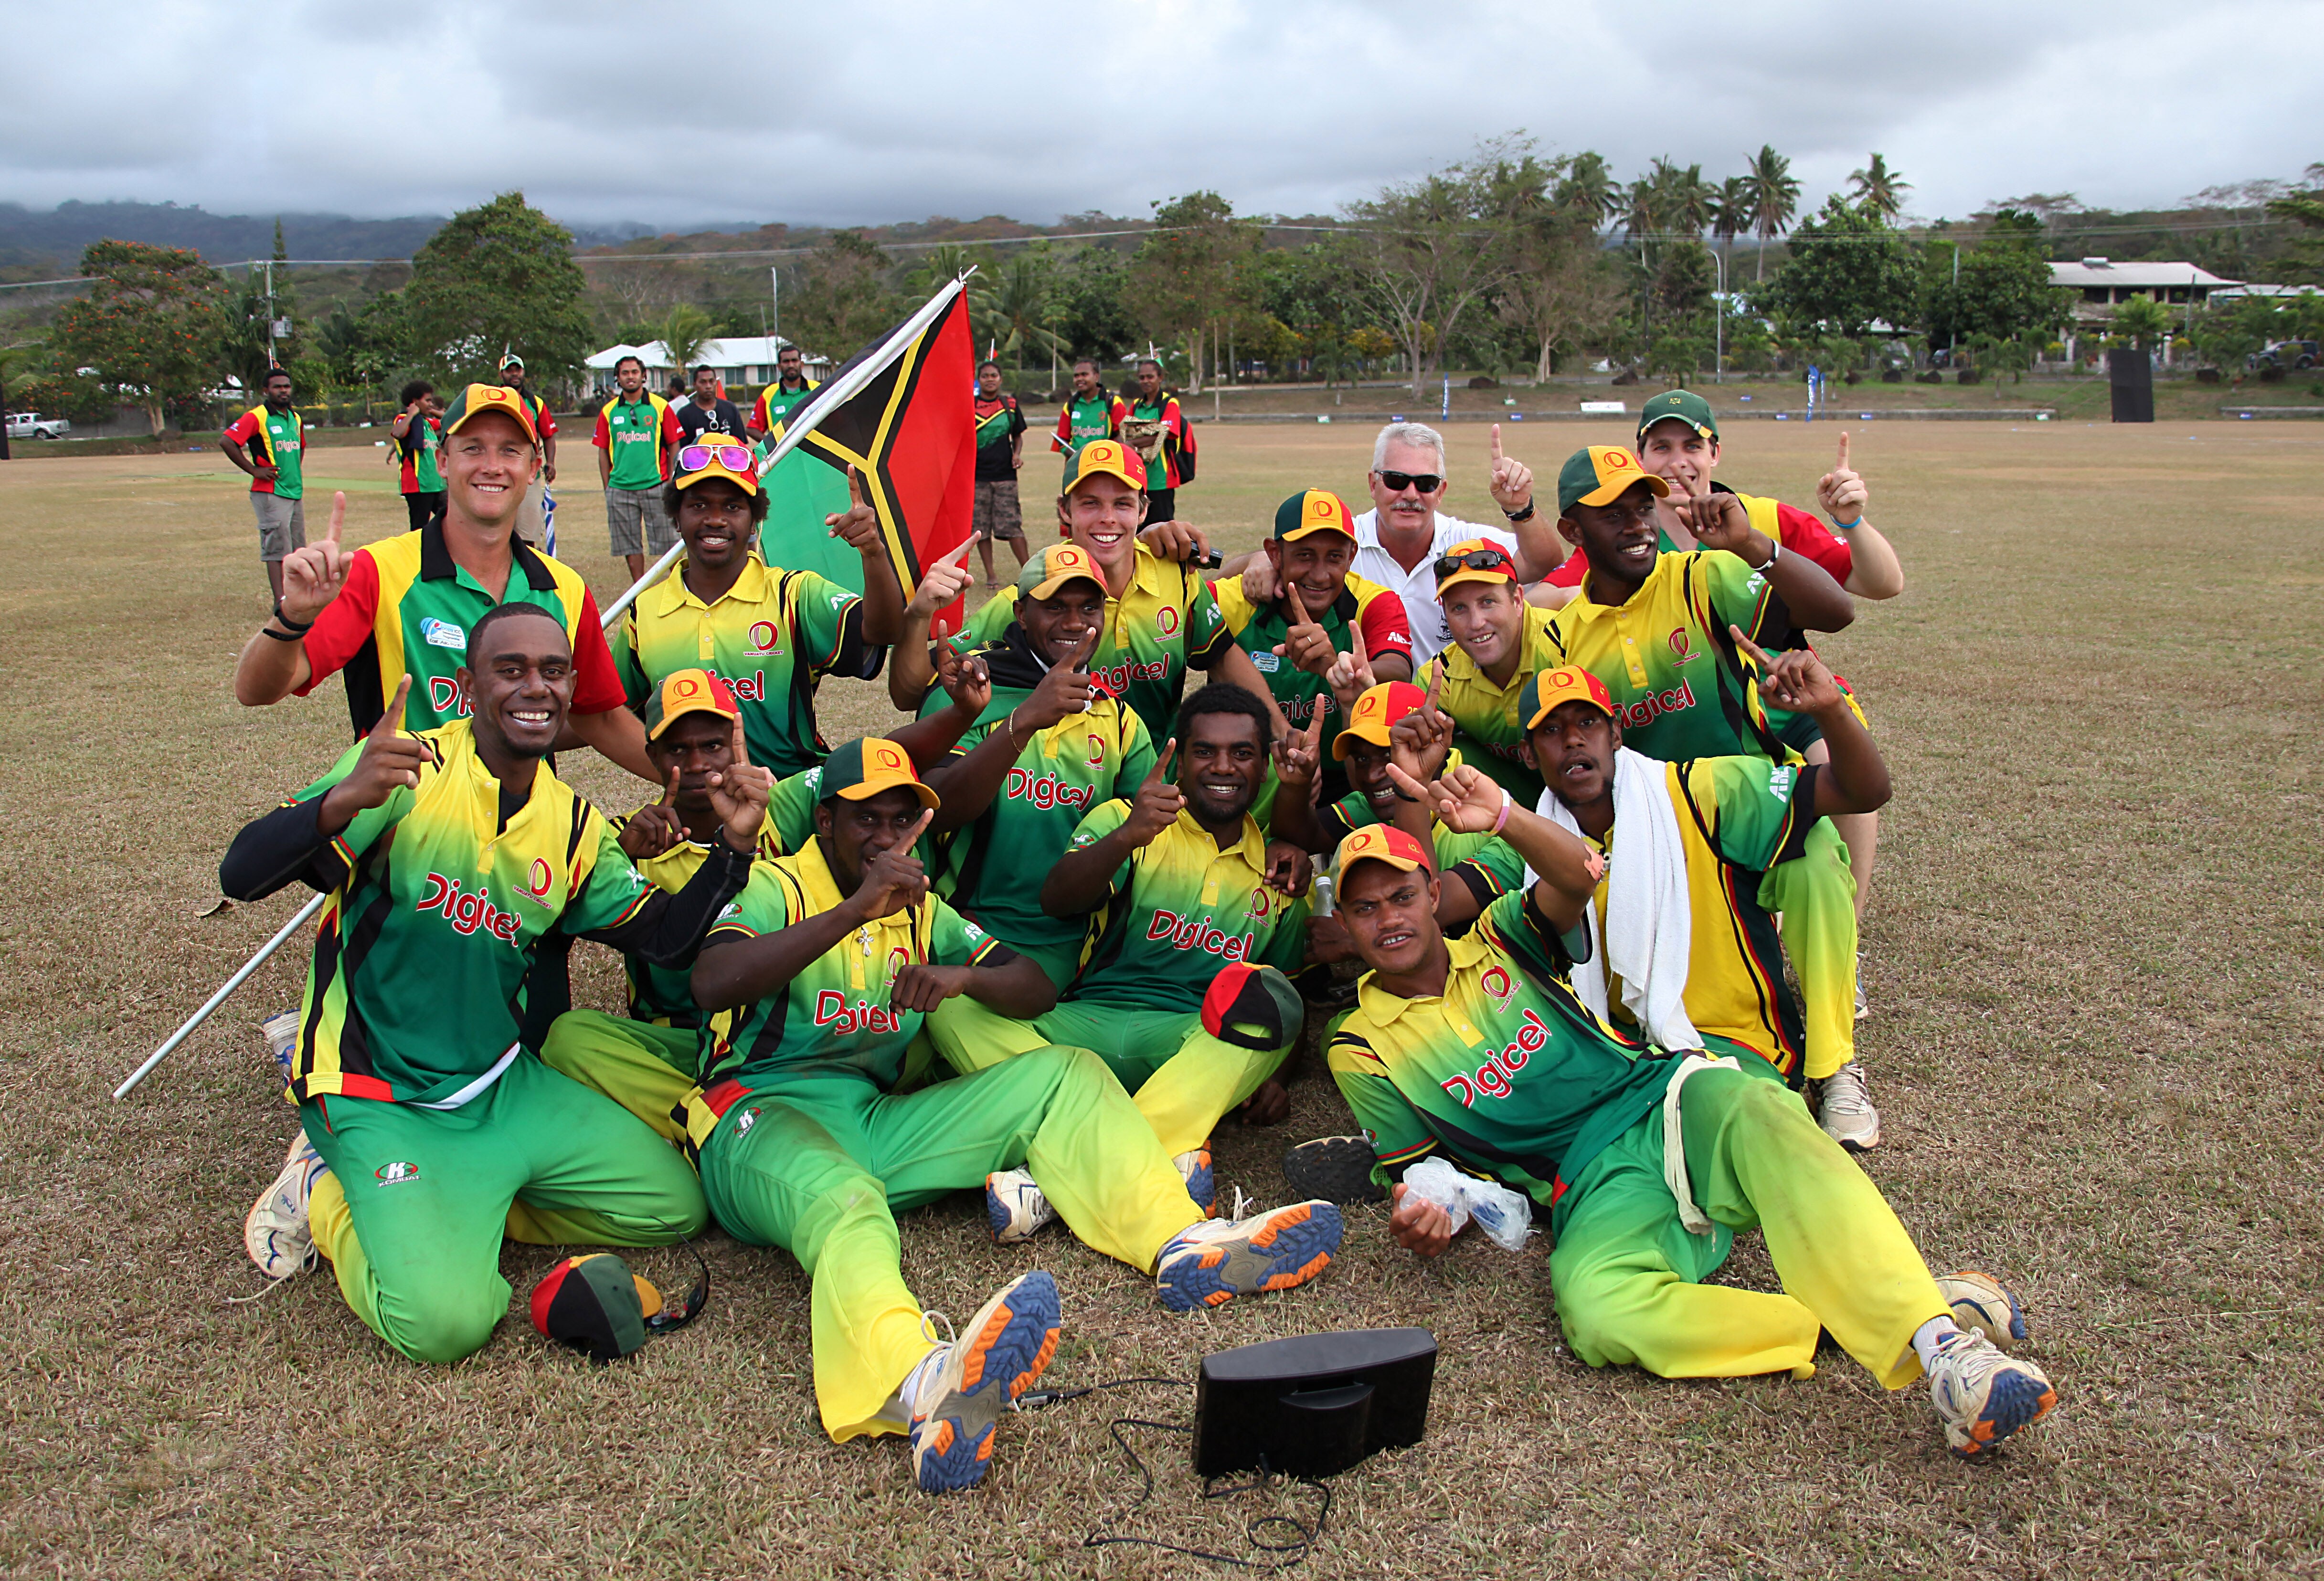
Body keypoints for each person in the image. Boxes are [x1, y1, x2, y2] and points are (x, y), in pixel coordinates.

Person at [681, 736, 1342, 1492]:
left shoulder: (918, 906)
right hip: (754, 1117)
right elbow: (713, 981)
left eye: (900, 820)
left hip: (869, 1118)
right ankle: (920, 1386)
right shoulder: (776, 885)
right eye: (866, 819)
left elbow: (1033, 989)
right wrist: (856, 909)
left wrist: (962, 976)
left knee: (1065, 1072)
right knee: (846, 1204)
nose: (886, 837)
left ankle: (1180, 1242)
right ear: (825, 820)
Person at [1319, 795, 2059, 1460]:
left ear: (1432, 895)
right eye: (1365, 909)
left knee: (1763, 1110)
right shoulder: (1358, 1044)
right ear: (1344, 926)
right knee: (1596, 1311)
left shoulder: (1497, 938)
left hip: (1666, 1098)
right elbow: (1426, 1171)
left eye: (1402, 896)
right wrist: (1431, 1214)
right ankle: (1869, 1313)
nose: (1389, 919)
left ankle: (1946, 1354)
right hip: (1590, 1185)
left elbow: (1578, 874)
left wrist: (1506, 816)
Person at [225, 605, 770, 1365]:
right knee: (447, 1328)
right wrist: (341, 801)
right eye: (509, 670)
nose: (534, 688)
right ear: (466, 686)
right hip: (375, 1090)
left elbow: (664, 940)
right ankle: (325, 1193)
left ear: (571, 689)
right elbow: (242, 873)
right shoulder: (409, 770)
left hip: (499, 1087)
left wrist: (733, 850)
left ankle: (455, 1201)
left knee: (672, 1209)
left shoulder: (572, 825)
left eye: (552, 672)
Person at [1541, 443, 1874, 1148]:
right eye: (1613, 514)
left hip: (1751, 804)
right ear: (1572, 530)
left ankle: (1835, 1067)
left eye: (1642, 506)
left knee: (1817, 863)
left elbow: (1837, 612)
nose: (1637, 524)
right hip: (1655, 838)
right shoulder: (1562, 638)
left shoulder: (1701, 576)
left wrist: (1754, 546)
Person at [1542, 400, 1905, 998]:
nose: (1678, 461)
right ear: (1643, 455)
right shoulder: (1600, 572)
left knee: (1835, 784)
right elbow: (1548, 596)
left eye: (1692, 445)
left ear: (1715, 452)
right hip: (1684, 761)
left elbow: (1863, 593)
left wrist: (1830, 528)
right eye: (1661, 447)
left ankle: (1846, 946)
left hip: (1780, 694)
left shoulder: (1749, 523)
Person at [929, 684, 1315, 1229]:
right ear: (1178, 760)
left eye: (1242, 753)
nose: (1223, 767)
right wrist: (1127, 837)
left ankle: (1056, 1175)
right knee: (949, 1004)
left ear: (1264, 767)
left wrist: (1277, 1078)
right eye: (1205, 751)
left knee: (1263, 1015)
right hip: (1081, 1032)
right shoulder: (1126, 818)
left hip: (1186, 1045)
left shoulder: (1281, 878)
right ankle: (1149, 1157)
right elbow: (1058, 899)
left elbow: (1290, 1001)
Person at [1428, 659, 1889, 1093]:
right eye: (1551, 730)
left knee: (1815, 848)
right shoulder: (1529, 843)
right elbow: (1430, 906)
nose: (1572, 740)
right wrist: (1417, 790)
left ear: (1615, 735)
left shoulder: (1700, 792)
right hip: (1629, 1058)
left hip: (1736, 1042)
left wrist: (1831, 709)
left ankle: (1835, 1069)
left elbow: (1861, 792)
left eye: (1588, 723)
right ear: (1528, 755)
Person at [231, 383, 656, 781]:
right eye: (473, 448)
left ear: (533, 468)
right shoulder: (378, 571)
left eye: (510, 450)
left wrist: (687, 786)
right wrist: (293, 616)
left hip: (527, 828)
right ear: (443, 462)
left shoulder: (564, 588)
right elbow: (255, 691)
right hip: (408, 823)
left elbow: (601, 718)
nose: (492, 466)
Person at [898, 440, 1285, 749]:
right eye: (1090, 504)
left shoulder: (1175, 577)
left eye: (1122, 504)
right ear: (1064, 510)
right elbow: (913, 692)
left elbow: (1221, 657)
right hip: (1074, 783)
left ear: (1143, 510)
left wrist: (1283, 733)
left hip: (1156, 774)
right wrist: (918, 616)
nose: (1108, 518)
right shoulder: (1032, 600)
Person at [536, 669, 791, 1132]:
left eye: (712, 745)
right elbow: (548, 931)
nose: (696, 763)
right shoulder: (621, 838)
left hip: (773, 1032)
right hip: (677, 1042)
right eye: (677, 749)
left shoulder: (784, 823)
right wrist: (624, 856)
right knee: (568, 1039)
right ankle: (723, 1124)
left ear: (737, 744)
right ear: (651, 755)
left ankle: (703, 1120)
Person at [912, 542, 1158, 991]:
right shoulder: (969, 695)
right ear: (1021, 614)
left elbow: (1146, 839)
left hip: (1073, 942)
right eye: (1055, 607)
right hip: (967, 929)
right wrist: (1024, 720)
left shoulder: (1120, 720)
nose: (1075, 623)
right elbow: (936, 810)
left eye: (1089, 608)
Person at [613, 438, 903, 777]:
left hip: (788, 795)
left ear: (755, 522)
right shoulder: (644, 611)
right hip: (698, 801)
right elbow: (610, 712)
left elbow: (883, 631)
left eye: (733, 507)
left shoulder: (792, 594)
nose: (716, 520)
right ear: (676, 517)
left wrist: (873, 553)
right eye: (699, 505)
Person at [1225, 422, 1560, 668]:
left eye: (1425, 483)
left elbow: (1542, 562)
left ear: (1441, 492)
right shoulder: (1341, 544)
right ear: (1373, 484)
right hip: (1365, 709)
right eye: (1396, 480)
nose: (1411, 494)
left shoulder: (1465, 544)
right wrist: (1259, 561)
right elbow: (1214, 592)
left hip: (1453, 706)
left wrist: (1520, 507)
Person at [1213, 488, 1415, 806]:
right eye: (1304, 556)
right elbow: (1184, 599)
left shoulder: (1375, 602)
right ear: (1275, 554)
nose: (1320, 575)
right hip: (1249, 773)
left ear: (1351, 556)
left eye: (1334, 557)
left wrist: (1341, 667)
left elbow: (1398, 670)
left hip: (1347, 775)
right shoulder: (1239, 599)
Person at [1430, 538, 1565, 803]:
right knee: (1447, 751)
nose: (1476, 623)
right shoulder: (1438, 676)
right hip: (1514, 802)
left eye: (1488, 602)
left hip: (1592, 793)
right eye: (1459, 608)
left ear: (1517, 600)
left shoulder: (1566, 642)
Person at [593, 354, 684, 582]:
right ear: (617, 378)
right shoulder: (609, 411)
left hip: (656, 484)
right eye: (625, 373)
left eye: (635, 372)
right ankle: (639, 589)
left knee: (668, 541)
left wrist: (671, 480)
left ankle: (677, 585)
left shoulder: (660, 406)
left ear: (644, 376)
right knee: (629, 544)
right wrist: (608, 486)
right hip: (620, 488)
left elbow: (674, 443)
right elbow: (603, 450)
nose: (630, 377)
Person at [221, 367, 307, 603]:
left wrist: (293, 472)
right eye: (277, 387)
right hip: (270, 493)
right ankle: (281, 601)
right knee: (277, 550)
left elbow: (300, 447)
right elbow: (227, 441)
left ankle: (299, 598)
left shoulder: (296, 418)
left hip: (294, 492)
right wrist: (254, 470)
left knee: (298, 549)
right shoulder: (257, 416)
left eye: (287, 386)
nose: (283, 391)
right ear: (266, 391)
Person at [969, 360, 1029, 589]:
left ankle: (1028, 572)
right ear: (979, 380)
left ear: (1001, 379)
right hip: (977, 477)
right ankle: (991, 575)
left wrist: (1017, 454)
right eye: (985, 376)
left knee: (1012, 526)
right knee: (981, 530)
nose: (990, 380)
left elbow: (1018, 435)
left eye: (994, 375)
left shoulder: (1009, 405)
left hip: (1005, 476)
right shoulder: (970, 406)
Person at [1123, 358, 1197, 524]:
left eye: (1150, 377)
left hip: (1161, 477)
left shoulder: (1169, 403)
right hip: (1138, 475)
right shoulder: (1136, 405)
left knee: (1162, 527)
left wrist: (1133, 444)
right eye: (1142, 378)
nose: (1146, 381)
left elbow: (1163, 434)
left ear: (1160, 378)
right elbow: (1127, 432)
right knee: (1138, 525)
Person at [496, 355, 558, 543]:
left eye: (518, 370)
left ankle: (527, 561)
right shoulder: (493, 400)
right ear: (501, 374)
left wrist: (551, 462)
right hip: (499, 472)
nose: (515, 374)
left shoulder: (535, 403)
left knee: (528, 533)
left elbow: (548, 435)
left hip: (529, 475)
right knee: (499, 531)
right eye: (509, 370)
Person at [1050, 357, 1125, 487]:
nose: (1080, 379)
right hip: (1077, 469)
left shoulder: (1112, 401)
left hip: (1107, 468)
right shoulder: (1070, 405)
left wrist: (1101, 457)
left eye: (1084, 375)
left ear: (1096, 377)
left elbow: (1123, 436)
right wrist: (1077, 456)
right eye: (1076, 376)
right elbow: (1061, 442)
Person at [390, 380, 446, 536]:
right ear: (415, 402)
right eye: (427, 400)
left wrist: (431, 410)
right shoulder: (404, 419)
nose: (431, 404)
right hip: (418, 485)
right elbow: (398, 433)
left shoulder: (427, 422)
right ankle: (420, 551)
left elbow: (450, 420)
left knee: (453, 520)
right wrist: (412, 413)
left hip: (436, 484)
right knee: (419, 529)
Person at [750, 343, 821, 434]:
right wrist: (771, 442)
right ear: (779, 367)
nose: (791, 365)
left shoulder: (818, 389)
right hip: (782, 444)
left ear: (802, 364)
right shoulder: (769, 393)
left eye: (794, 361)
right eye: (786, 361)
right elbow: (752, 429)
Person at [675, 364, 748, 444]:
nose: (708, 386)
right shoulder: (684, 415)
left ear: (716, 383)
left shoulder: (731, 409)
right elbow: (682, 449)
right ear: (695, 385)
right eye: (703, 382)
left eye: (711, 381)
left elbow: (741, 445)